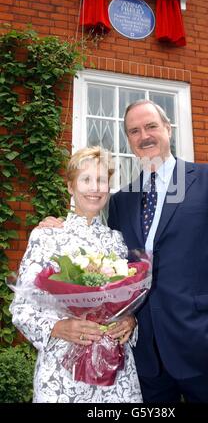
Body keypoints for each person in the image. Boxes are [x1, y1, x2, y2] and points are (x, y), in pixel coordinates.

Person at [39, 100, 208, 403]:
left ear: (168, 129)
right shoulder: (121, 201)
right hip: (145, 355)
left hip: (205, 344)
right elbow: (111, 266)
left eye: (151, 126)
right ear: (129, 140)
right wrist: (58, 224)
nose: (144, 136)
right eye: (134, 131)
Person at [10, 146, 142, 403]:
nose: (95, 188)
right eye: (86, 179)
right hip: (62, 377)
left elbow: (127, 301)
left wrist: (131, 322)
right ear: (71, 186)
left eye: (102, 180)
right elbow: (21, 308)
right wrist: (58, 327)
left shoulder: (118, 241)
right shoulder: (47, 235)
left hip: (117, 378)